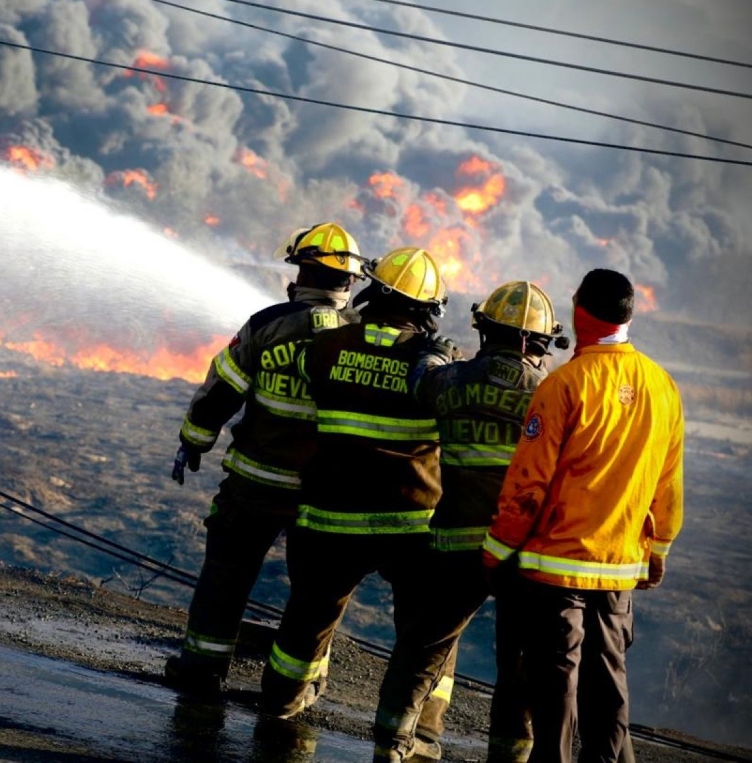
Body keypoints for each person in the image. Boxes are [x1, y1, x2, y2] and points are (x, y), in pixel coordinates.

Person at [483, 269, 685, 763]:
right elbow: (669, 485)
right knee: (610, 678)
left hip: (555, 566)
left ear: (578, 310)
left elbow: (527, 485)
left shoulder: (564, 385)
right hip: (619, 567)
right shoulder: (662, 387)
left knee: (556, 683)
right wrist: (657, 552)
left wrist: (496, 551)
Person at [165, 222, 367, 694]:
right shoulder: (360, 340)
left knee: (225, 579)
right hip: (323, 494)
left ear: (299, 273)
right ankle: (295, 692)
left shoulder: (267, 324)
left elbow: (222, 389)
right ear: (351, 283)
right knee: (314, 598)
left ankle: (200, 672)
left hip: (254, 483)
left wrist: (194, 440)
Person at [372, 281, 569, 763]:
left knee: (422, 648)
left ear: (485, 330)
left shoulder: (451, 381)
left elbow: (421, 381)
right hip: (523, 553)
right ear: (537, 343)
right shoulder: (551, 394)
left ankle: (392, 744)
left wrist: (435, 355)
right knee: (519, 666)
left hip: (454, 543)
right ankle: (511, 755)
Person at [257, 246, 449, 724]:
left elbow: (306, 381)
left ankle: (280, 703)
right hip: (410, 524)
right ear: (428, 311)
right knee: (427, 631)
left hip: (329, 515)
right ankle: (420, 730)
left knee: (307, 618)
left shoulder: (326, 348)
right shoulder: (436, 369)